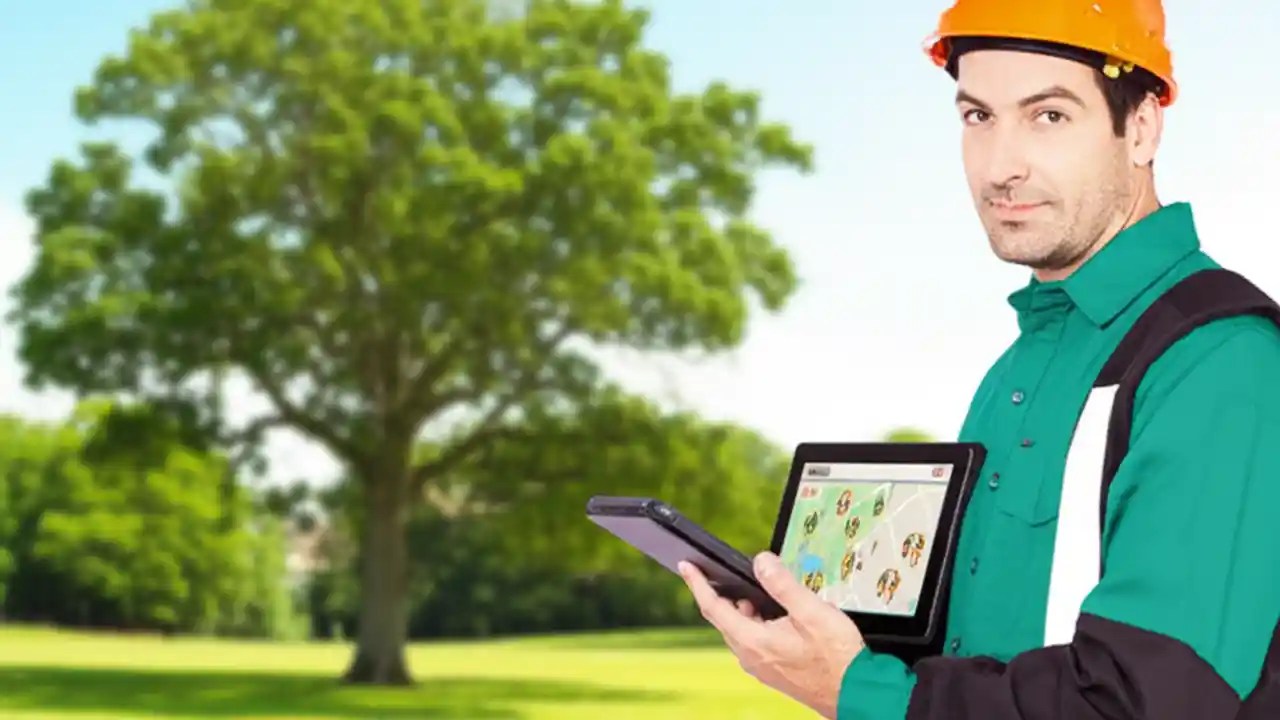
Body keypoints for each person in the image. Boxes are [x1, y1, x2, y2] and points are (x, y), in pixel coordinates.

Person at [677, 1, 1280, 718]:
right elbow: (976, 654)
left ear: (1142, 126)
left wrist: (858, 690)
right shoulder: (1014, 371)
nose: (1001, 167)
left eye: (1048, 116)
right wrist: (826, 640)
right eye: (978, 117)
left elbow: (1148, 702)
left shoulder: (1217, 361)